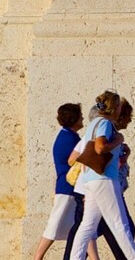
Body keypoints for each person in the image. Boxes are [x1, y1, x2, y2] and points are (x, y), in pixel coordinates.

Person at [67, 91, 135, 260]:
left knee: (87, 226)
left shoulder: (93, 124)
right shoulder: (105, 124)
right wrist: (119, 140)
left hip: (90, 180)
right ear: (115, 107)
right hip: (104, 179)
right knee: (120, 224)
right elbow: (100, 148)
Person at [31, 104, 86, 260]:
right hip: (68, 188)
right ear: (74, 118)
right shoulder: (70, 139)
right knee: (54, 225)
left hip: (68, 188)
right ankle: (38, 257)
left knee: (80, 228)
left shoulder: (66, 136)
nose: (82, 118)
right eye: (80, 115)